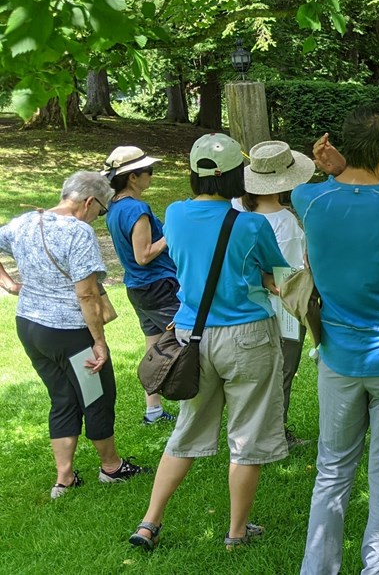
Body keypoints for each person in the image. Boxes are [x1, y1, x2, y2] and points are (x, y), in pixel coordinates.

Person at [129, 133, 289, 552]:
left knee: (187, 430)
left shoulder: (175, 214)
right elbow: (276, 276)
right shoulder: (252, 224)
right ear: (237, 175)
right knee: (247, 436)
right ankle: (236, 533)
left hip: (191, 336)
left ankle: (149, 523)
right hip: (248, 335)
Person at [295, 103, 379, 575]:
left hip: (337, 355)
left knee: (332, 471)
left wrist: (334, 171)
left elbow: (327, 191)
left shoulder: (306, 199)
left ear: (341, 147)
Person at [0, 171, 150, 498]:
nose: (98, 217)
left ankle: (64, 478)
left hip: (29, 326)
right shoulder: (78, 232)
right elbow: (87, 294)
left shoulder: (26, 221)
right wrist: (99, 342)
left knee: (62, 397)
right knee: (97, 396)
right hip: (69, 331)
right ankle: (111, 468)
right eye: (101, 210)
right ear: (89, 201)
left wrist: (9, 284)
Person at [232, 140, 315, 448]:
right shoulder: (284, 222)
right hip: (283, 310)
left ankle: (249, 432)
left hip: (244, 307)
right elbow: (288, 277)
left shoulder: (236, 211)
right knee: (283, 371)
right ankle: (274, 435)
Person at [102, 146, 179, 426]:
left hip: (138, 288)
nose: (152, 175)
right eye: (149, 171)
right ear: (132, 177)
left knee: (153, 347)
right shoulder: (137, 209)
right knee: (188, 340)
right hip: (159, 285)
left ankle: (153, 411)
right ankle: (193, 406)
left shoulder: (113, 207)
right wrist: (172, 232)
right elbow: (143, 255)